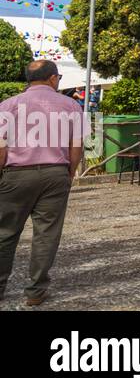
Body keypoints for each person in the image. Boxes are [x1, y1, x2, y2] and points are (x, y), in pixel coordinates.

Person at [0, 60, 84, 307]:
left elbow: (1, 149)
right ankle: (36, 291)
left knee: (5, 233)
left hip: (15, 175)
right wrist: (68, 173)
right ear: (53, 79)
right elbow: (76, 147)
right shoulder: (71, 105)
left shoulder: (8, 105)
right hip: (55, 173)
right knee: (47, 234)